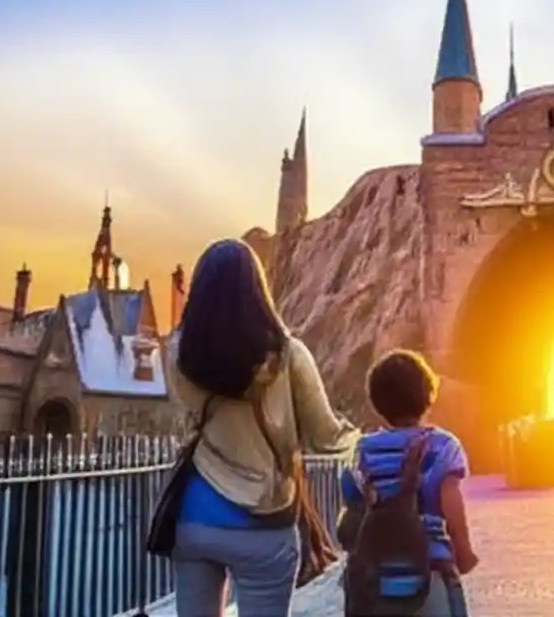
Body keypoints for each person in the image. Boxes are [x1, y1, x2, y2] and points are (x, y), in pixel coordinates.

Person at [168, 239, 359, 617]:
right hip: (264, 522)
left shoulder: (178, 354)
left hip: (194, 516)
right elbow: (326, 438)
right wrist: (362, 438)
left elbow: (186, 420)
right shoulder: (289, 356)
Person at [338, 349, 478, 616]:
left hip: (378, 574)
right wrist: (464, 552)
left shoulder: (363, 451)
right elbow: (452, 503)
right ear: (428, 395)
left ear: (376, 402)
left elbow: (352, 503)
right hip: (431, 565)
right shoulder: (442, 446)